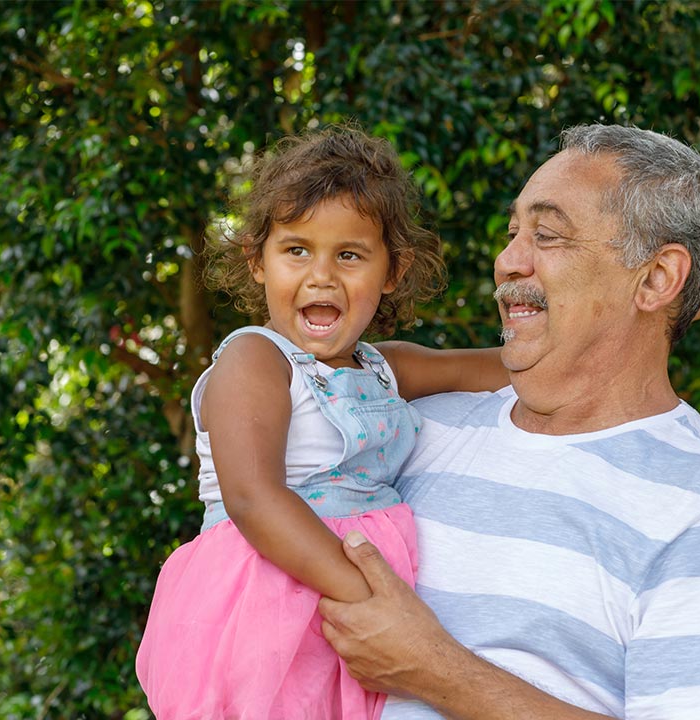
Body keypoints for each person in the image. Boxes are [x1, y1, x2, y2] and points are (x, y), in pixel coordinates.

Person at [318, 124, 700, 720]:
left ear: (656, 278)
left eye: (546, 235)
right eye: (512, 233)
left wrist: (437, 670)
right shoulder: (408, 431)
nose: (506, 262)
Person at [135, 125, 508, 720]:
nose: (321, 275)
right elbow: (254, 500)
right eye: (297, 250)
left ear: (393, 271)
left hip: (351, 613)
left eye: (350, 255)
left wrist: (580, 347)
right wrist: (369, 598)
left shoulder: (385, 368)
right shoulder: (256, 360)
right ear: (257, 261)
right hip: (268, 602)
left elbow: (500, 367)